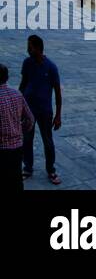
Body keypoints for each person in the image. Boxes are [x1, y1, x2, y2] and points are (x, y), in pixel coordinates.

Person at [18, 35, 61, 185]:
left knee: (48, 141)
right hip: (28, 109)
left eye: (30, 47)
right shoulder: (27, 63)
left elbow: (57, 92)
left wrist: (58, 115)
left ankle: (51, 170)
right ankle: (27, 167)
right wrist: (19, 106)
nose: (28, 49)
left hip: (45, 111)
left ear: (38, 48)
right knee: (27, 139)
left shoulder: (51, 67)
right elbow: (23, 84)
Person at [0, 63, 35, 191]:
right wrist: (19, 130)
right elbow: (30, 119)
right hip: (16, 146)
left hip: (2, 148)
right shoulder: (17, 94)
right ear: (7, 77)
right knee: (16, 180)